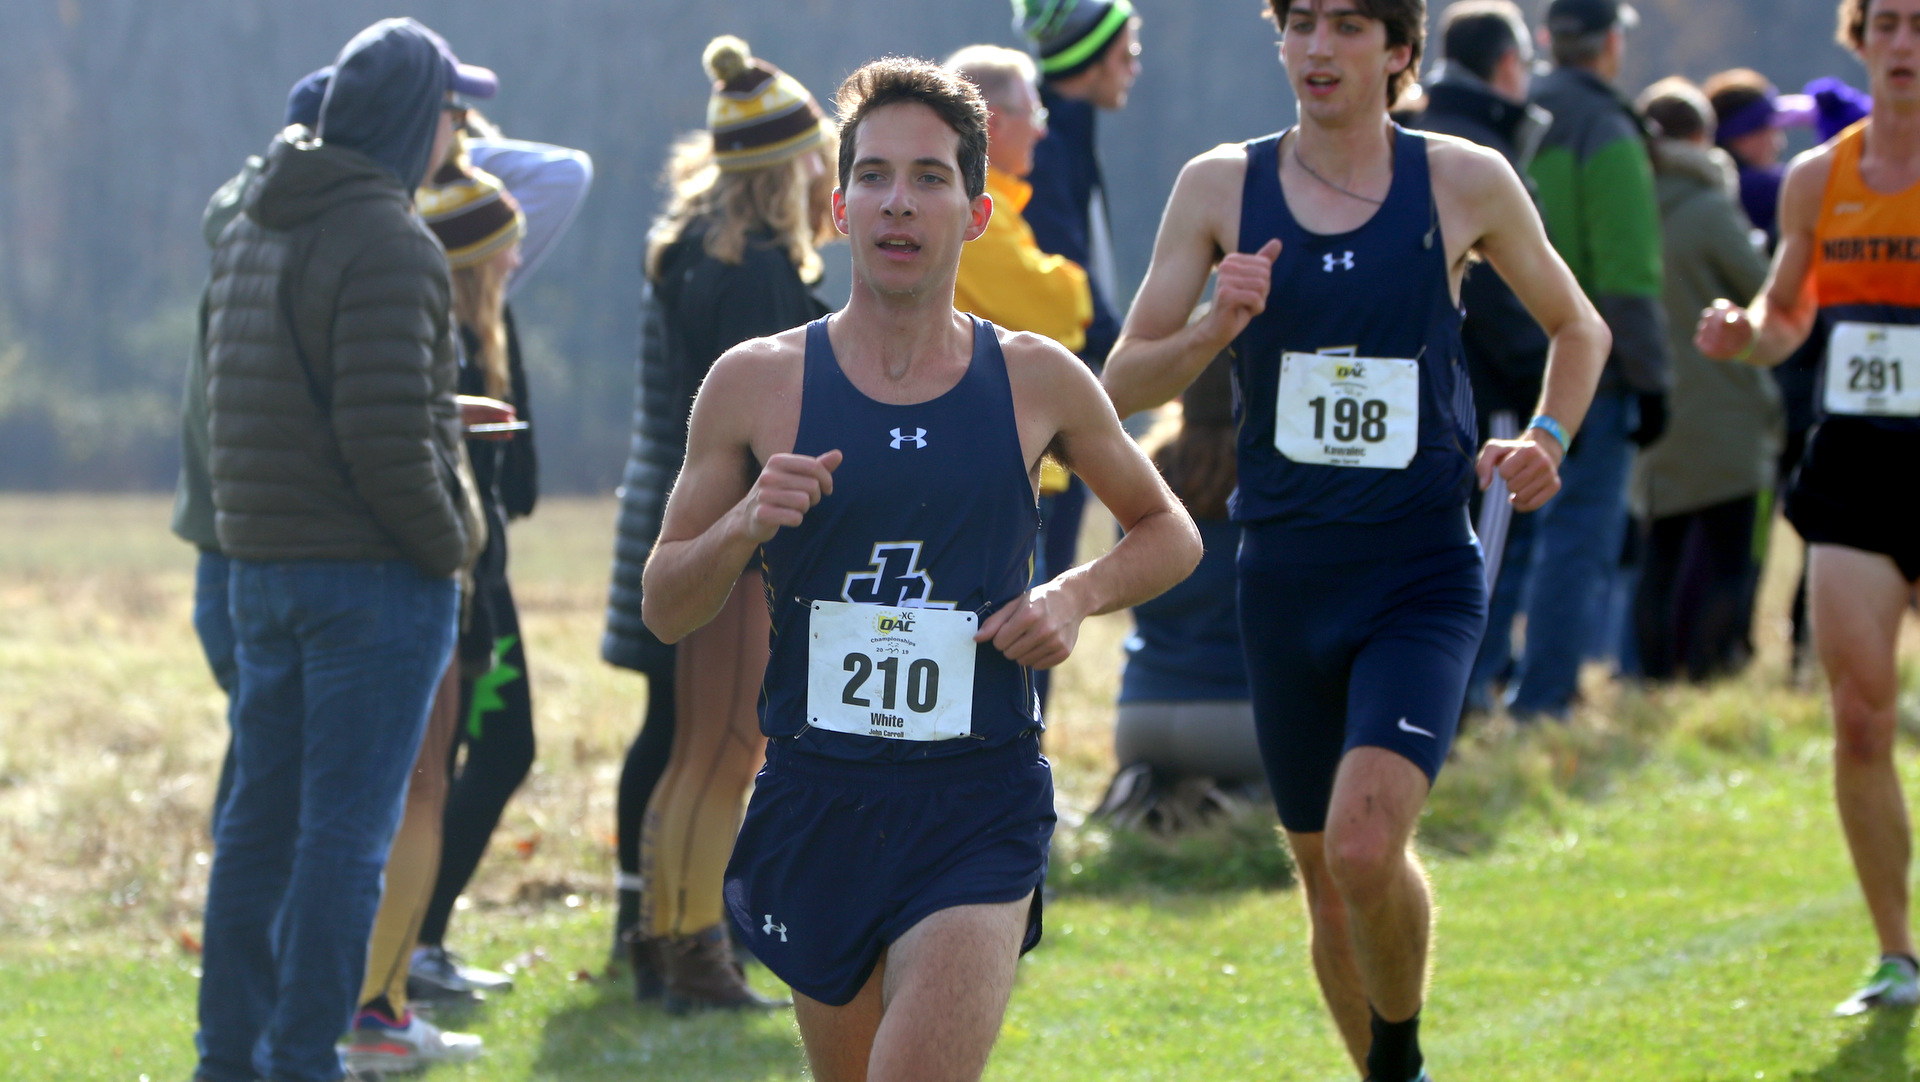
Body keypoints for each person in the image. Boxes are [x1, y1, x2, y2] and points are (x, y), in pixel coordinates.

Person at [642, 57, 1199, 1080]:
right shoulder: (756, 384)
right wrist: (743, 527)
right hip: (819, 794)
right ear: (839, 204)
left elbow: (1169, 531)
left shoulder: (1035, 379)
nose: (901, 199)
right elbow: (668, 602)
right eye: (876, 175)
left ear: (977, 210)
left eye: (932, 177)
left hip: (977, 796)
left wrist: (1071, 596)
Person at [1100, 0, 1607, 1076]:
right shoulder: (1219, 187)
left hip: (1419, 571)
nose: (1319, 49)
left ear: (1400, 51)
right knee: (1327, 873)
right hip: (1280, 574)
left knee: (1372, 844)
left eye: (1348, 26)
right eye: (1301, 24)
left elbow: (1580, 324)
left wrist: (1548, 436)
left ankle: (1403, 1054)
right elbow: (1121, 381)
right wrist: (1213, 328)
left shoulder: (1461, 179)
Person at [193, 18, 495, 1082]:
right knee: (345, 839)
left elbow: (265, 406)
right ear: (418, 119)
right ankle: (303, 1058)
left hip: (260, 565)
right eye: (453, 110)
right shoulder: (390, 237)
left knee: (258, 828)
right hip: (371, 581)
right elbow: (381, 445)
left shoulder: (253, 220)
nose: (459, 129)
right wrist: (453, 539)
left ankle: (227, 1055)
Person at [601, 34, 836, 1012]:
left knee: (694, 743)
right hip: (739, 540)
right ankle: (696, 950)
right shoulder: (762, 273)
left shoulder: (694, 250)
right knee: (726, 743)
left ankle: (663, 938)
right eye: (820, 153)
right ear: (789, 165)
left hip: (693, 524)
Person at [1696, 0, 1920, 1017]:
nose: (1906, 46)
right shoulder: (1819, 177)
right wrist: (1745, 332)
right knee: (1862, 719)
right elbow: (1791, 316)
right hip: (1859, 467)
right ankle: (1896, 955)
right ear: (1859, 41)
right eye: (1889, 27)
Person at [409, 110, 595, 1000]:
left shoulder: (484, 321)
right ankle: (403, 949)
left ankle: (417, 941)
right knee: (464, 756)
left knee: (490, 750)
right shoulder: (434, 340)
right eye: (502, 251)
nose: (517, 261)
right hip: (457, 585)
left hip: (488, 572)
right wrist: (440, 147)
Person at [1500, 0, 1668, 716]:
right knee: (1576, 541)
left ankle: (1474, 690)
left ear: (1548, 41)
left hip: (1510, 354)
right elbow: (1627, 275)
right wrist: (1652, 377)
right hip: (1589, 369)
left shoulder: (1514, 117)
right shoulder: (1606, 125)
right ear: (1610, 44)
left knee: (1502, 534)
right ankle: (1545, 701)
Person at [1402, 0, 1554, 712]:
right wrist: (1534, 388)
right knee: (1478, 563)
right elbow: (1505, 304)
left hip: (1407, 390)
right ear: (1505, 66)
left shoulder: (1398, 139)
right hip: (1481, 393)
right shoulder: (1481, 162)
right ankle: (1454, 711)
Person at [1012, 0, 1145, 712]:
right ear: (1091, 57)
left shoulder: (1068, 134)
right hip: (1053, 398)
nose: (1135, 64)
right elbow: (1070, 276)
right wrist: (1135, 354)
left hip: (1067, 385)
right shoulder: (1054, 143)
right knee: (1040, 584)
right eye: (1128, 48)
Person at [1630, 79, 1779, 682]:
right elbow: (1766, 290)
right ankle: (1715, 674)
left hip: (1655, 406)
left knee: (1658, 560)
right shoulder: (1712, 206)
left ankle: (1656, 678)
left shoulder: (1628, 204)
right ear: (1702, 137)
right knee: (1731, 558)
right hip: (1724, 408)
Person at [1095, 353, 1263, 831]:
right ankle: (1239, 798)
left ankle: (1150, 787)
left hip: (1140, 714)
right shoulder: (1273, 476)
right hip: (1241, 720)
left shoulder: (1146, 476)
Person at [948, 44, 1093, 355]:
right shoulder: (970, 209)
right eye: (1037, 115)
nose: (1041, 133)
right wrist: (1077, 286)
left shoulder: (989, 202)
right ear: (994, 122)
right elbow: (1057, 315)